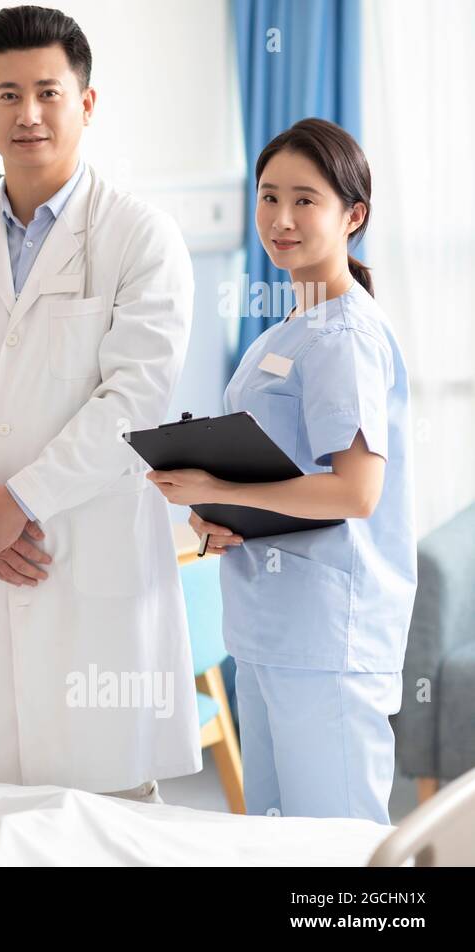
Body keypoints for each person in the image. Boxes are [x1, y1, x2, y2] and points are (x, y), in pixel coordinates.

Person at [0, 5, 200, 798]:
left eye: (49, 93)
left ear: (85, 104)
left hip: (86, 551)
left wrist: (21, 500)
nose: (29, 114)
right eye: (9, 94)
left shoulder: (139, 237)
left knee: (106, 814)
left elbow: (134, 397)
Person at [149, 118, 416, 823]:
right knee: (276, 842)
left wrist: (218, 489)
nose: (282, 218)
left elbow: (357, 492)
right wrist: (222, 516)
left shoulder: (346, 333)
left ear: (352, 215)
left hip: (329, 635)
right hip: (272, 627)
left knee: (337, 852)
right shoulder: (286, 329)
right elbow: (284, 475)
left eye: (305, 200)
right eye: (269, 197)